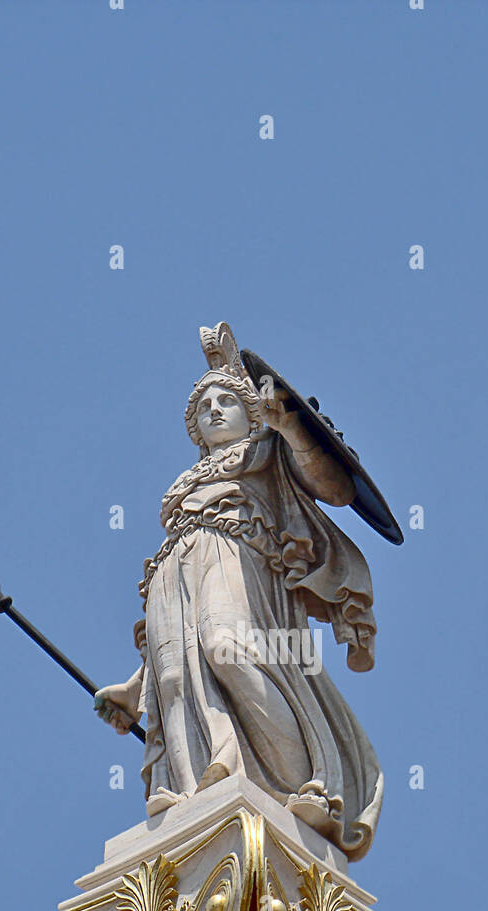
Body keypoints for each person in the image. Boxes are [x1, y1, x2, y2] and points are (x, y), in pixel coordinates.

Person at [95, 323, 383, 861]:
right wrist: (135, 688)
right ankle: (188, 787)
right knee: (176, 676)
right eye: (204, 406)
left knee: (226, 650)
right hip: (173, 567)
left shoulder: (266, 453)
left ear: (252, 412)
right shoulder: (188, 482)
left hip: (236, 554)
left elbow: (336, 487)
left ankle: (308, 787)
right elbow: (173, 642)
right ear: (194, 429)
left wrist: (291, 428)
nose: (214, 409)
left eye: (227, 399)